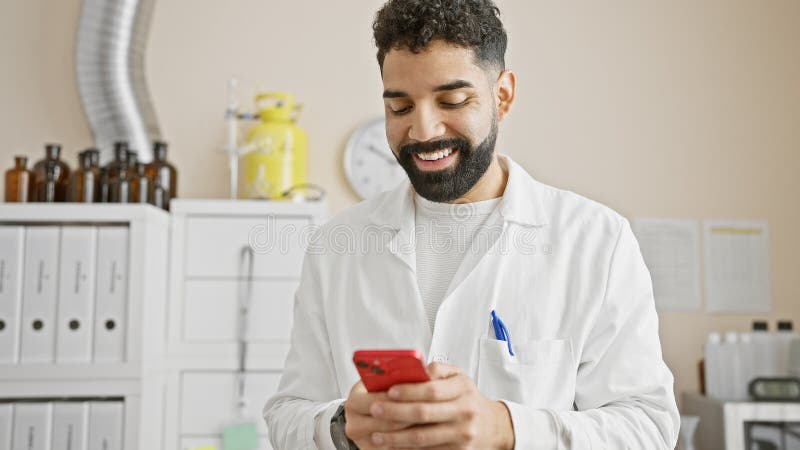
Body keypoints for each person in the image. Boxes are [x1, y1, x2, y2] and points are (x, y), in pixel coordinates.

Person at [264, 0, 680, 448]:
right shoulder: (334, 248)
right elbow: (287, 412)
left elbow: (648, 426)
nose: (423, 131)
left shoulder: (598, 241)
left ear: (502, 95)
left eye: (453, 100)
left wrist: (506, 429)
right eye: (400, 107)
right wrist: (339, 427)